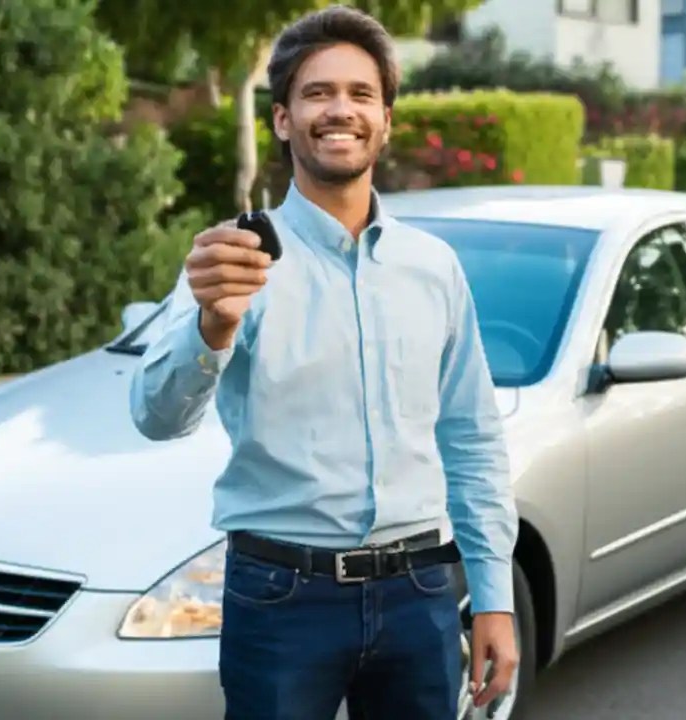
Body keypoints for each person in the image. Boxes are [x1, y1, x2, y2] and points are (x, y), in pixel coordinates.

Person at [129, 5, 519, 718]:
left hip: (421, 594)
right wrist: (215, 325)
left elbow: (472, 438)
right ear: (282, 120)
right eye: (317, 93)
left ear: (386, 122)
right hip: (282, 599)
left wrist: (493, 596)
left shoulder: (434, 267)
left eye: (360, 93)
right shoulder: (237, 259)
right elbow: (155, 416)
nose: (340, 109)